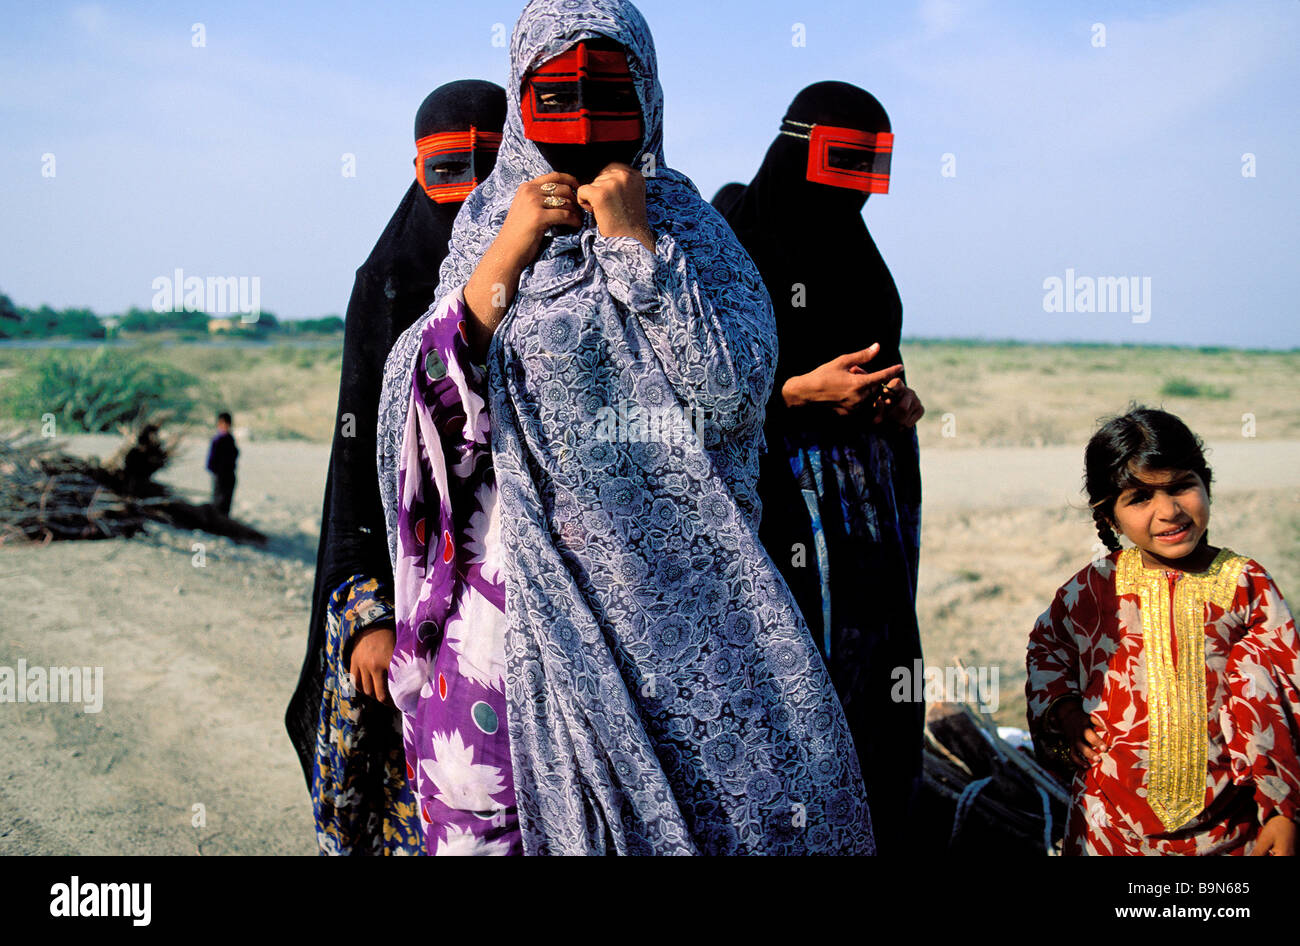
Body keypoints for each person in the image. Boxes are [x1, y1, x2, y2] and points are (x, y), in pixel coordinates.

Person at [379, 0, 875, 855]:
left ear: (648, 93)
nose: (580, 118)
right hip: (511, 619)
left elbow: (728, 397)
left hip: (678, 616)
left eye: (608, 91)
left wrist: (636, 246)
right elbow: (419, 404)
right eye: (554, 93)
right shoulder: (485, 229)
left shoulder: (693, 231)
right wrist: (510, 250)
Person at [285, 80, 507, 855]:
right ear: (416, 167)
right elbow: (355, 469)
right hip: (414, 606)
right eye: (449, 168)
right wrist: (368, 616)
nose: (474, 192)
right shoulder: (388, 286)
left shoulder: (551, 277)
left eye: (496, 165)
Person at [711, 81, 925, 854]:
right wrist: (798, 394)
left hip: (864, 517)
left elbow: (880, 353)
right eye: (838, 172)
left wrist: (894, 405)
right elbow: (698, 395)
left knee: (870, 690)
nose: (847, 204)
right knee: (785, 693)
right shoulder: (730, 248)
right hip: (772, 510)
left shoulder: (859, 258)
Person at [1026, 407, 1299, 855]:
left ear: (1205, 483)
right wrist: (1066, 713)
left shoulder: (1246, 585)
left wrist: (1283, 809)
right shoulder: (1094, 589)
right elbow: (1047, 648)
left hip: (1231, 828)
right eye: (1139, 498)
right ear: (1109, 516)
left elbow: (1283, 693)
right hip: (1107, 826)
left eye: (1181, 487)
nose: (1168, 511)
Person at [205, 411, 238, 516]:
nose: (225, 425)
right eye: (222, 423)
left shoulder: (230, 438)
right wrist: (218, 472)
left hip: (229, 475)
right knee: (218, 502)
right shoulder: (217, 440)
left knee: (226, 503)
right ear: (219, 424)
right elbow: (210, 462)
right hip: (220, 476)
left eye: (227, 423)